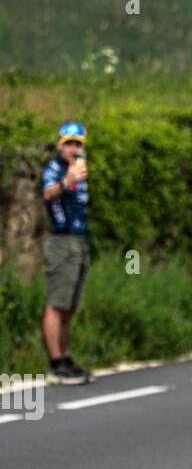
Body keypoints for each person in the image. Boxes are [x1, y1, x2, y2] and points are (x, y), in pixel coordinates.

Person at [40, 121, 93, 385]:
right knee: (57, 303)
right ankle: (55, 362)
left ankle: (66, 356)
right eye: (69, 143)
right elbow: (48, 194)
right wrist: (67, 180)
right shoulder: (55, 169)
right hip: (61, 240)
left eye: (78, 144)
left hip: (80, 239)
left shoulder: (82, 170)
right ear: (60, 145)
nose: (73, 148)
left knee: (71, 304)